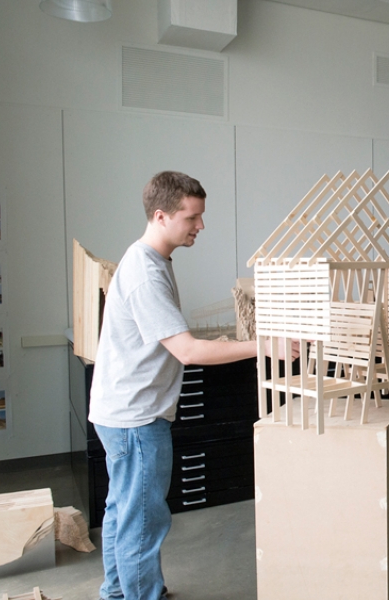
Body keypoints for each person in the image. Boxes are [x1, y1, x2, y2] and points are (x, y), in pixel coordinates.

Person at [88, 171, 296, 600]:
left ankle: (115, 593)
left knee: (121, 513)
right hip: (136, 419)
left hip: (121, 412)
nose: (200, 226)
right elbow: (188, 351)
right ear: (161, 216)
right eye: (192, 218)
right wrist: (265, 345)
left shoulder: (149, 260)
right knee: (142, 521)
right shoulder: (146, 272)